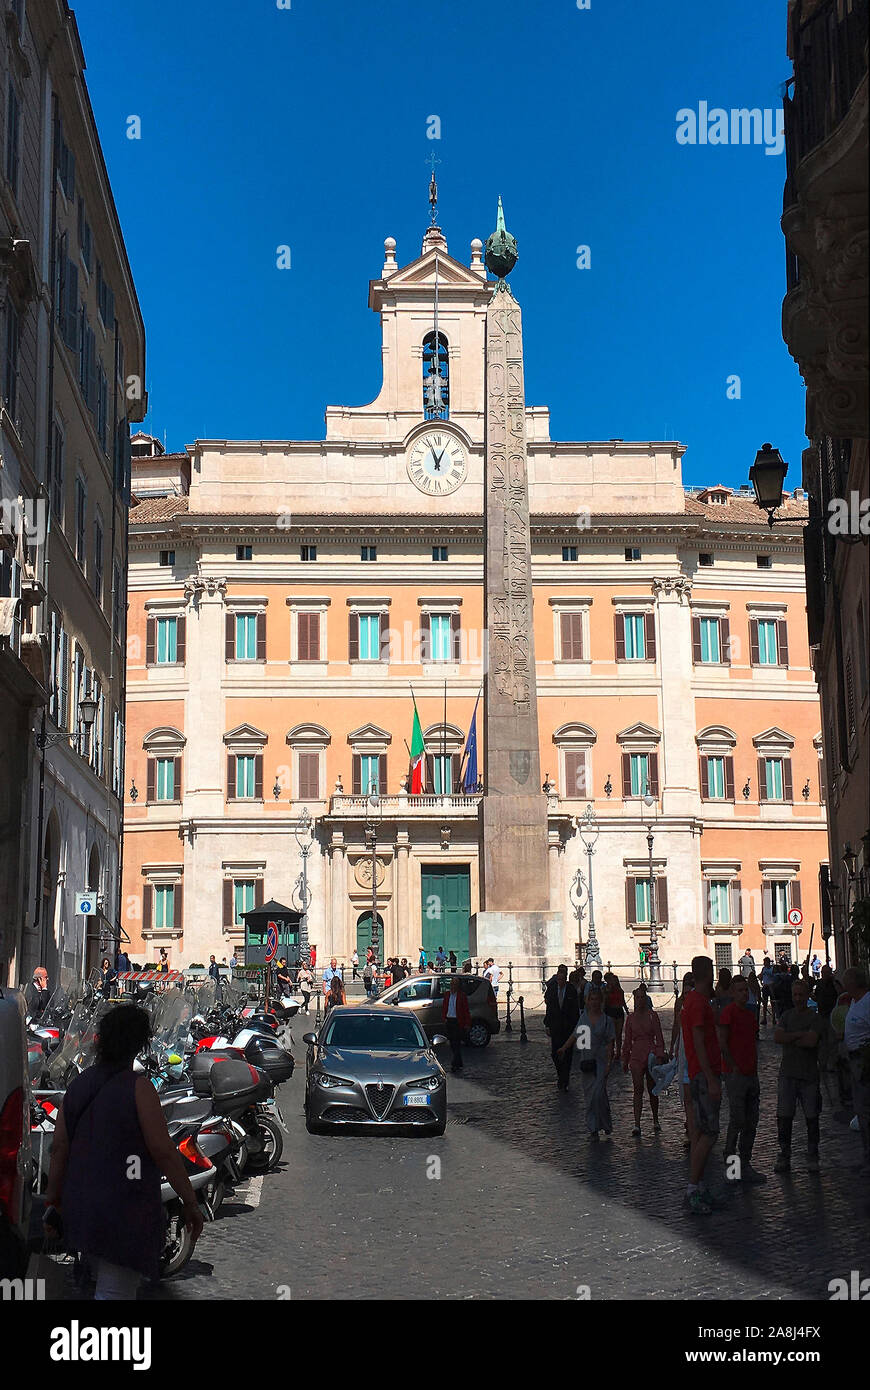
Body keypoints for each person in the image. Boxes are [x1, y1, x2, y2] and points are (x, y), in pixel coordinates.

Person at [42, 1004, 204, 1300]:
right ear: (139, 1045)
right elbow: (163, 1151)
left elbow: (60, 1148)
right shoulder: (139, 1089)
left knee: (98, 1283)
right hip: (124, 1209)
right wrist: (190, 1202)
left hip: (83, 1205)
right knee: (115, 1290)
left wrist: (54, 1199)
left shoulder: (78, 1086)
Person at [681, 954, 722, 1216]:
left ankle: (700, 1184)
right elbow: (697, 1041)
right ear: (709, 973)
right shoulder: (697, 1003)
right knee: (709, 1133)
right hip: (702, 1076)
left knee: (701, 1132)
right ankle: (692, 1187)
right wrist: (710, 1077)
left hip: (699, 1073)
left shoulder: (695, 1001)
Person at [717, 976, 766, 1184]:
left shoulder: (750, 1014)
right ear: (732, 993)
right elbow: (723, 1042)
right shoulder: (728, 1013)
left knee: (751, 1121)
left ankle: (744, 1164)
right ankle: (732, 1168)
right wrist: (733, 1067)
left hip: (751, 1073)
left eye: (746, 990)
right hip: (736, 1074)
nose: (744, 994)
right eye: (740, 990)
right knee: (737, 1121)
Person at [773, 976, 824, 1173]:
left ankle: (813, 1155)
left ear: (807, 995)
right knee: (784, 1117)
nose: (797, 998)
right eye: (795, 995)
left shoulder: (815, 1018)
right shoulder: (786, 1016)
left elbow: (811, 1041)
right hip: (787, 1074)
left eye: (801, 995)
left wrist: (790, 1038)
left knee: (812, 1117)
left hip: (809, 1075)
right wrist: (798, 1035)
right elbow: (778, 1037)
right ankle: (784, 1154)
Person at [557, 984, 615, 1139]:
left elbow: (610, 1043)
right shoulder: (583, 1019)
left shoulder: (607, 1021)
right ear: (588, 1001)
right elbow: (577, 1036)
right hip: (587, 1061)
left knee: (599, 1095)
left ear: (601, 1001)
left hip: (601, 1061)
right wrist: (564, 1048)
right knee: (590, 1097)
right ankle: (593, 1127)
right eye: (592, 999)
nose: (595, 1002)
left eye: (597, 999)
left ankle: (605, 1123)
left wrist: (609, 1062)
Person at [622, 988, 665, 1136]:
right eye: (637, 997)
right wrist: (624, 1058)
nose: (639, 1000)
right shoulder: (631, 1018)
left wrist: (659, 1055)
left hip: (651, 1053)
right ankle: (637, 1123)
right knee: (638, 1088)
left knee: (652, 1089)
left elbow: (659, 1037)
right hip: (636, 1054)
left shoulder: (653, 1016)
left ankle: (655, 1119)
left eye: (642, 997)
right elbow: (627, 1041)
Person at [842, 967, 870, 1169]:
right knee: (860, 1109)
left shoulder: (868, 1002)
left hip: (864, 1061)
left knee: (865, 1110)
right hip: (853, 1060)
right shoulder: (853, 1000)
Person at [544, 964, 581, 1091]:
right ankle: (561, 1075)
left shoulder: (571, 990)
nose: (560, 982)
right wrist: (547, 1024)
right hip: (555, 1026)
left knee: (568, 1054)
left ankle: (564, 1079)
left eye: (562, 980)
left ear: (565, 979)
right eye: (558, 980)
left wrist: (575, 1026)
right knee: (555, 1053)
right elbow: (549, 1007)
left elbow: (575, 1009)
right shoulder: (553, 989)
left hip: (568, 1027)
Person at [670, 971, 696, 1149]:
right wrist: (672, 1046)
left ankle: (695, 1124)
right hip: (683, 1048)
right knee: (686, 1090)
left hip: (694, 1049)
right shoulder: (679, 1005)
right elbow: (675, 1026)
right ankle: (690, 1125)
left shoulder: (699, 1005)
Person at [441, 974, 471, 1071]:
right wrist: (444, 1018)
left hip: (458, 1021)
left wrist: (467, 1023)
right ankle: (459, 1062)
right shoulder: (447, 995)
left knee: (456, 1043)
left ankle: (455, 1063)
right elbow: (444, 1007)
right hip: (449, 1020)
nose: (453, 986)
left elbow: (466, 1010)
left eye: (455, 984)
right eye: (452, 984)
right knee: (452, 1043)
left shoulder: (462, 996)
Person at [603, 973, 628, 1055]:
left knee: (619, 1034)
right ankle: (612, 1050)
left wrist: (627, 1011)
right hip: (611, 1011)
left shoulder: (620, 991)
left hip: (619, 1011)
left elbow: (623, 1002)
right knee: (612, 1033)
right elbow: (605, 1001)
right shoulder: (606, 990)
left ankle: (618, 1051)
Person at [760, 956, 775, 1025]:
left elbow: (774, 977)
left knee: (773, 1003)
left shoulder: (772, 969)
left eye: (765, 962)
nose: (764, 963)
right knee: (764, 1003)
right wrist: (761, 981)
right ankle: (764, 1018)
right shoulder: (763, 969)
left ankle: (774, 1018)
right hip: (765, 987)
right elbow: (761, 975)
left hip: (771, 987)